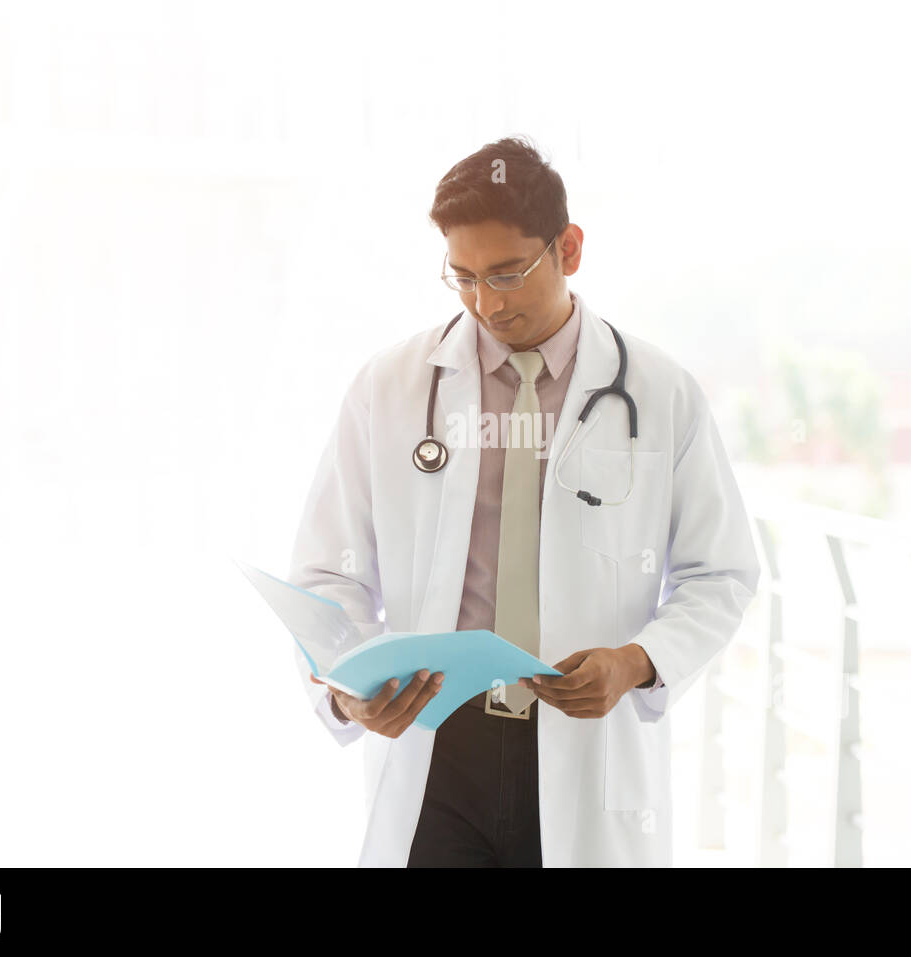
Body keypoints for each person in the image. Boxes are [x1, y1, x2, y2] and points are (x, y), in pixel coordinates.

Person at [288, 136, 761, 866]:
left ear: (569, 248)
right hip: (436, 748)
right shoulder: (390, 387)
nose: (486, 302)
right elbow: (326, 574)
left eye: (507, 273)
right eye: (464, 277)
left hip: (580, 747)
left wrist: (637, 660)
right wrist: (349, 688)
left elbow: (719, 572)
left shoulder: (660, 393)